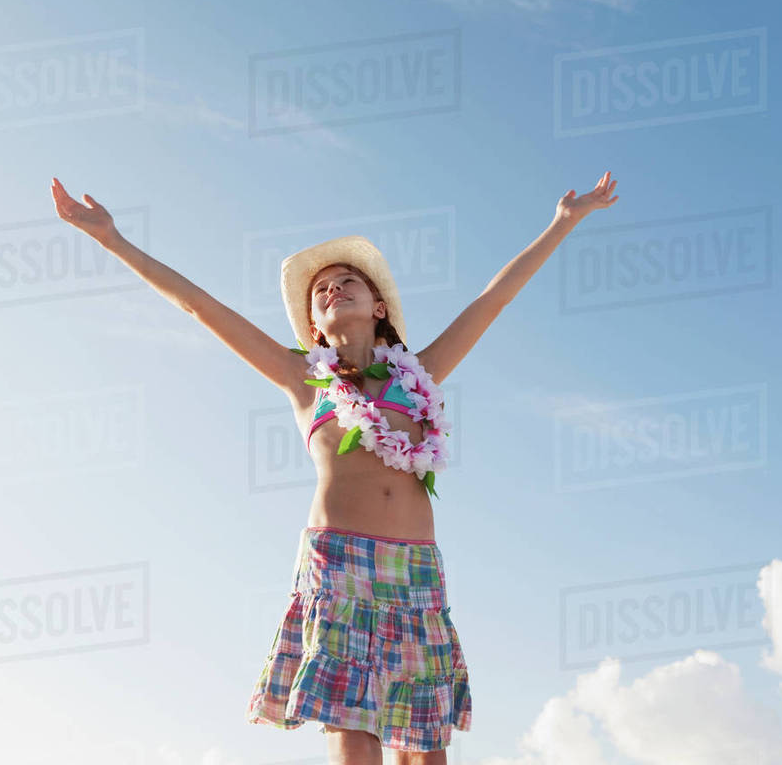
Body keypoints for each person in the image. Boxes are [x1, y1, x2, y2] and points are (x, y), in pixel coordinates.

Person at [50, 172, 620, 764]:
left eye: (347, 280)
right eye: (319, 290)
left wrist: (562, 223)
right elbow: (200, 306)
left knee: (423, 751)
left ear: (378, 308)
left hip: (416, 569)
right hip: (339, 564)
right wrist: (112, 239)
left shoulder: (420, 373)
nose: (332, 289)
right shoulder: (304, 380)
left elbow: (493, 300)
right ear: (314, 326)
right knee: (353, 732)